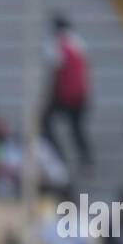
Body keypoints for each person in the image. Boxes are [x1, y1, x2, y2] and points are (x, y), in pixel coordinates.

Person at [41, 14, 92, 174]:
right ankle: (87, 162)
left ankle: (59, 157)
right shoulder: (79, 42)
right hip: (80, 94)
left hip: (64, 94)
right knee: (77, 129)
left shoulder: (55, 44)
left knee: (45, 123)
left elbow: (55, 72)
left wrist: (49, 96)